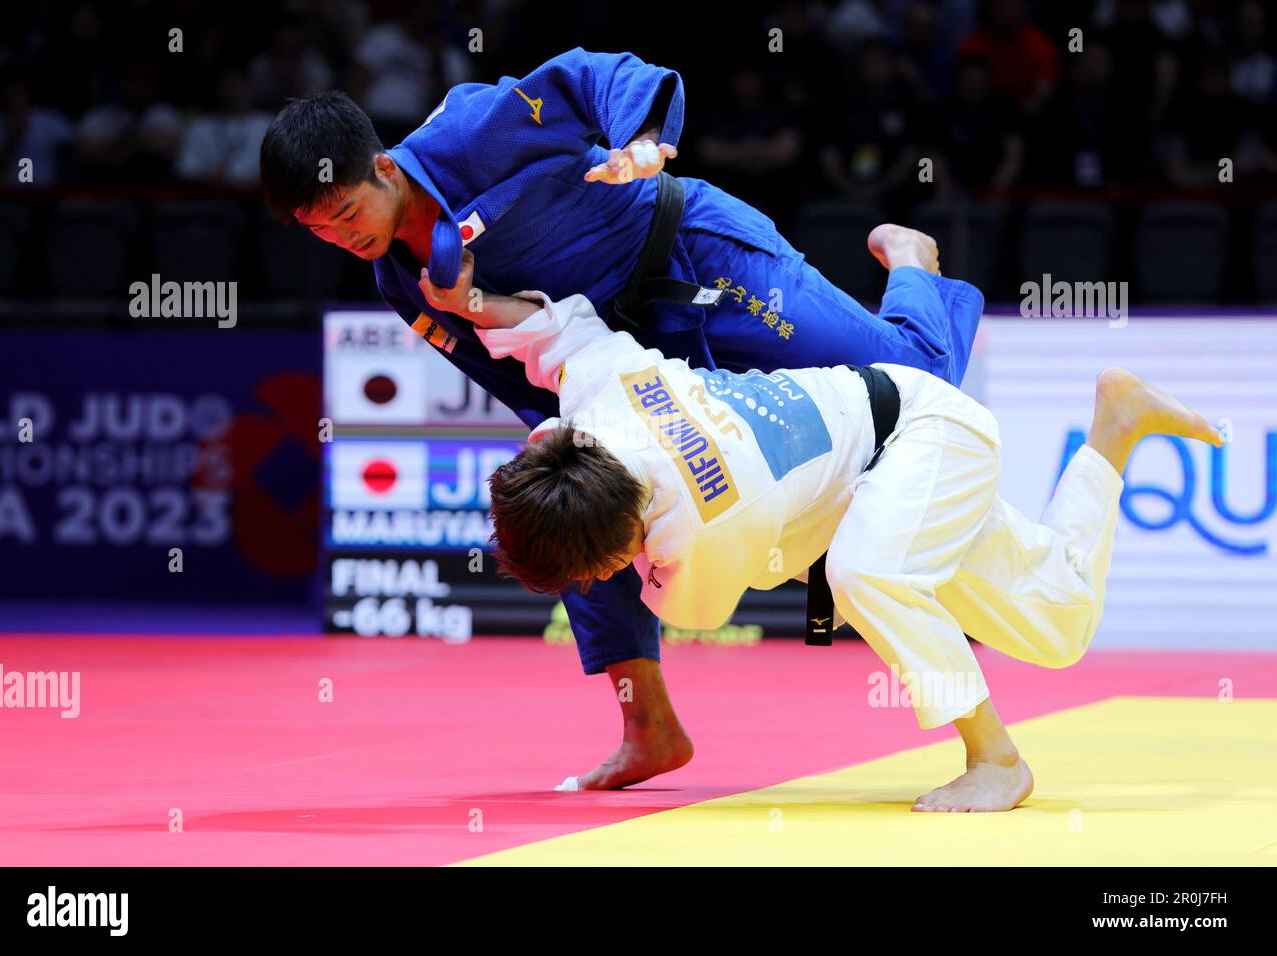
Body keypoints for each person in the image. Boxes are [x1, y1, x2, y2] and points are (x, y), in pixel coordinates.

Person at [260, 49, 984, 791]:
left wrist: (638, 141)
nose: (345, 237)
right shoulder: (399, 279)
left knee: (916, 380)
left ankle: (914, 267)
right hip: (606, 352)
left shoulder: (471, 132)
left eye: (347, 213)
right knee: (572, 516)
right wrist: (562, 450)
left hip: (692, 259)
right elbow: (501, 365)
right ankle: (651, 728)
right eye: (321, 231)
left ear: (382, 168)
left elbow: (587, 76)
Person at [419, 243, 1223, 812]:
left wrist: (640, 561)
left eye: (600, 567)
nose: (600, 582)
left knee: (866, 575)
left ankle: (996, 760)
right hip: (885, 463)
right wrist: (472, 304)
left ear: (627, 525)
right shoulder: (608, 402)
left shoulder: (700, 531)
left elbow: (690, 611)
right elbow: (566, 328)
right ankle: (1116, 427)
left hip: (921, 434)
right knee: (1061, 625)